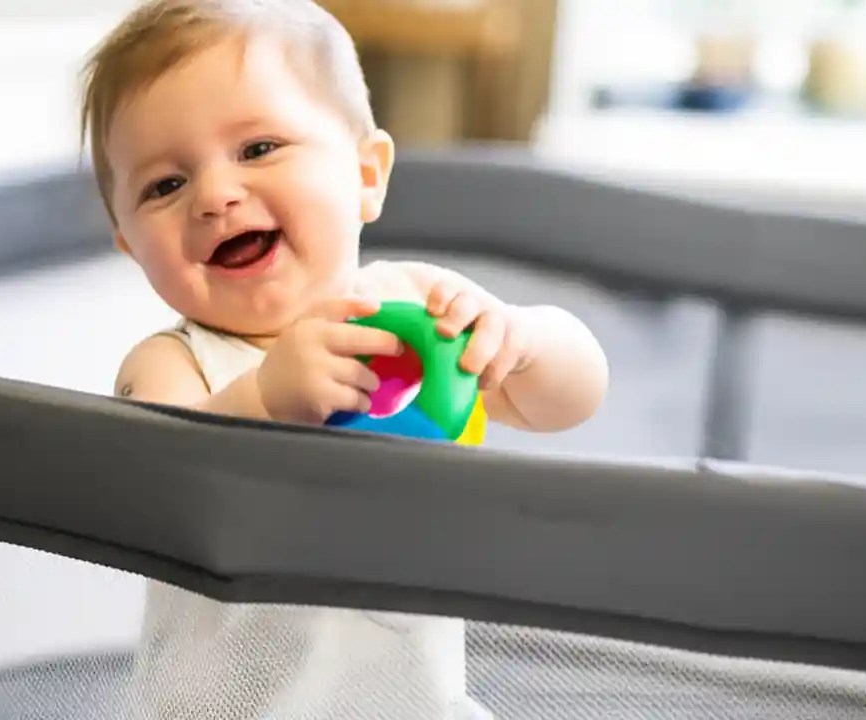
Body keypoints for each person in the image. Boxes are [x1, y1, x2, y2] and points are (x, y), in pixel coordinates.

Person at [79, 1, 609, 717]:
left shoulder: (413, 311)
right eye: (165, 185)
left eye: (259, 148)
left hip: (410, 705)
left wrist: (522, 339)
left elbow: (571, 400)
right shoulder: (174, 365)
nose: (215, 195)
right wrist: (264, 400)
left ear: (366, 175)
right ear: (131, 247)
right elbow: (160, 494)